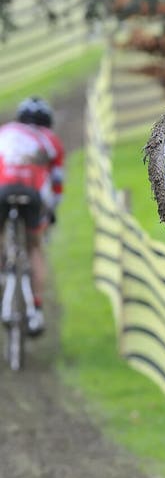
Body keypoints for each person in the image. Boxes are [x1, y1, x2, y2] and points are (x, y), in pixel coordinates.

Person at [0, 97, 65, 335]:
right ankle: (36, 310)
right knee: (35, 246)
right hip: (32, 193)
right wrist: (51, 214)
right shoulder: (50, 141)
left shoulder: (5, 131)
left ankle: (2, 275)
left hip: (3, 189)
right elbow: (56, 184)